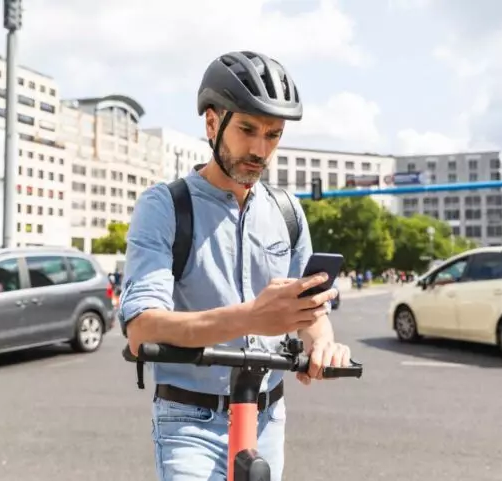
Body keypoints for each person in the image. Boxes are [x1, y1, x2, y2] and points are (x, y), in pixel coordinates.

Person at [118, 50, 352, 481]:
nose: (260, 149)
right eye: (247, 129)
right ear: (212, 123)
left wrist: (323, 342)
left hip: (267, 418)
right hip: (190, 421)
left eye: (273, 135)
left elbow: (310, 313)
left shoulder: (287, 212)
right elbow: (141, 329)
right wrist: (252, 317)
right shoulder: (166, 206)